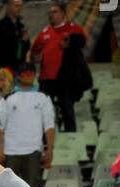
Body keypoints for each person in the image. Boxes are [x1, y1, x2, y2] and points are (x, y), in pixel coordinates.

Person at [0, 63, 53, 187]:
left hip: (34, 151)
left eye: (32, 71)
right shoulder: (7, 99)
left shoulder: (44, 98)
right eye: (25, 72)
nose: (29, 74)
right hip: (10, 152)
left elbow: (49, 125)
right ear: (18, 76)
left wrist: (50, 149)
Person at [30, 2, 85, 133]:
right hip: (47, 79)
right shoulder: (45, 32)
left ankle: (71, 141)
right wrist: (35, 58)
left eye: (55, 12)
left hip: (66, 79)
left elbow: (82, 43)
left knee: (67, 111)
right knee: (43, 112)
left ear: (63, 13)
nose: (52, 15)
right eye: (50, 12)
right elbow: (34, 52)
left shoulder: (74, 29)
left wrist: (70, 44)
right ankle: (44, 141)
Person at [0, 0, 29, 77]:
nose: (19, 8)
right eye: (17, 5)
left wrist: (25, 41)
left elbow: (25, 49)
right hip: (3, 71)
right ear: (9, 6)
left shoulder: (21, 27)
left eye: (21, 6)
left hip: (20, 70)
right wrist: (1, 66)